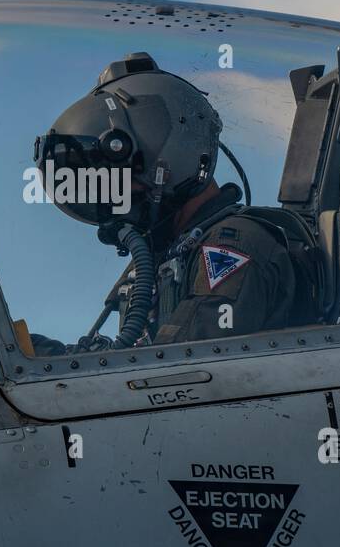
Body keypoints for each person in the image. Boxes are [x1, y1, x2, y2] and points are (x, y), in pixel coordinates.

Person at [29, 52, 317, 355]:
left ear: (165, 157)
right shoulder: (165, 259)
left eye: (119, 178)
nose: (115, 198)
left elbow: (178, 369)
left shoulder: (234, 246)